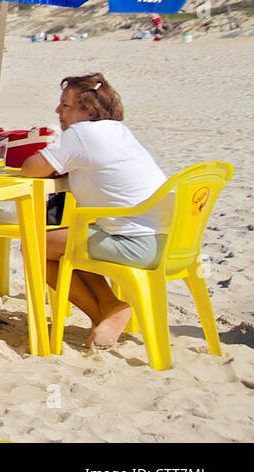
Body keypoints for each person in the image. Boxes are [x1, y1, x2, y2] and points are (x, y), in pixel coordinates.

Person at [19, 73, 169, 349]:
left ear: (87, 111)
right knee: (67, 243)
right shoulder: (119, 130)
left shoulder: (81, 133)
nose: (57, 111)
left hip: (134, 243)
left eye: (65, 105)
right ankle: (109, 310)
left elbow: (30, 169)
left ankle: (108, 309)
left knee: (34, 245)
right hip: (165, 240)